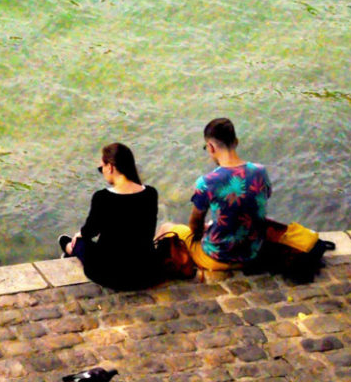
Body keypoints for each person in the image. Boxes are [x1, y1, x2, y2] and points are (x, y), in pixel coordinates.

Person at [166, 117, 273, 271]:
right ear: (236, 141)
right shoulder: (260, 171)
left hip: (220, 258)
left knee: (167, 228)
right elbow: (255, 202)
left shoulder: (207, 182)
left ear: (210, 147)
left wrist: (203, 231)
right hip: (253, 251)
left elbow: (195, 226)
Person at [58, 142, 160, 290]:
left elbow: (89, 232)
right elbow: (149, 231)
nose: (102, 171)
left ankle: (68, 247)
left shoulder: (102, 197)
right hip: (146, 272)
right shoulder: (151, 193)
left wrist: (79, 235)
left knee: (74, 242)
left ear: (110, 167)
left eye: (101, 168)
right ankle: (70, 247)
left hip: (111, 274)